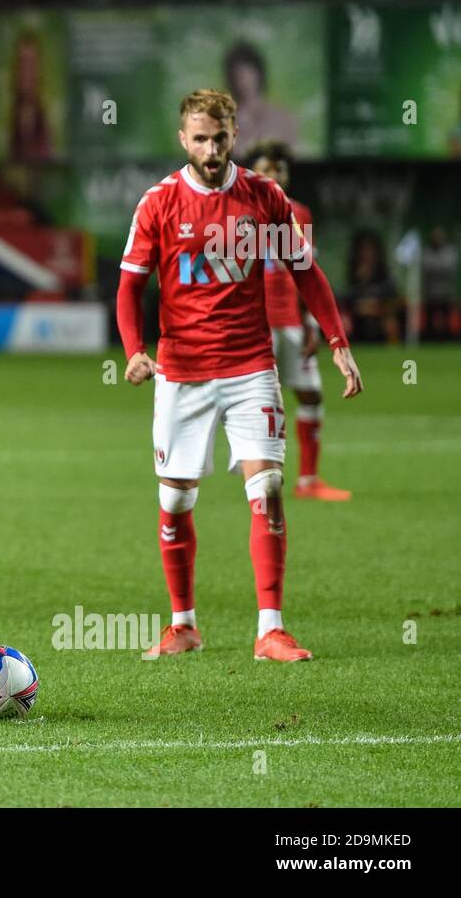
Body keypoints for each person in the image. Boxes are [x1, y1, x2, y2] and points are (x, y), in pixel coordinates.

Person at [116, 89, 363, 662]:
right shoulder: (159, 203)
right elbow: (129, 287)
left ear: (234, 136)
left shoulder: (262, 196)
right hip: (181, 371)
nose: (209, 148)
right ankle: (184, 625)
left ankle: (270, 629)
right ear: (183, 138)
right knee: (176, 502)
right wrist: (133, 350)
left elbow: (307, 272)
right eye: (199, 138)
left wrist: (337, 341)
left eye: (219, 138)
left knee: (269, 488)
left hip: (251, 365)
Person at [244, 140, 352, 500]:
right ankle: (259, 478)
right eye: (265, 169)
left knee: (311, 393)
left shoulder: (300, 213)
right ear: (252, 174)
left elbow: (307, 273)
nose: (273, 175)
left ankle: (308, 480)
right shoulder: (238, 210)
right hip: (252, 321)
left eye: (280, 169)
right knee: (258, 400)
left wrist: (310, 324)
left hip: (290, 319)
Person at [344, 230, 401, 343]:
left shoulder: (383, 273)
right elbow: (349, 296)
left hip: (380, 316)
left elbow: (391, 293)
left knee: (391, 323)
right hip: (359, 319)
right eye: (364, 250)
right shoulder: (355, 273)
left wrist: (376, 306)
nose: (367, 254)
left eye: (370, 250)